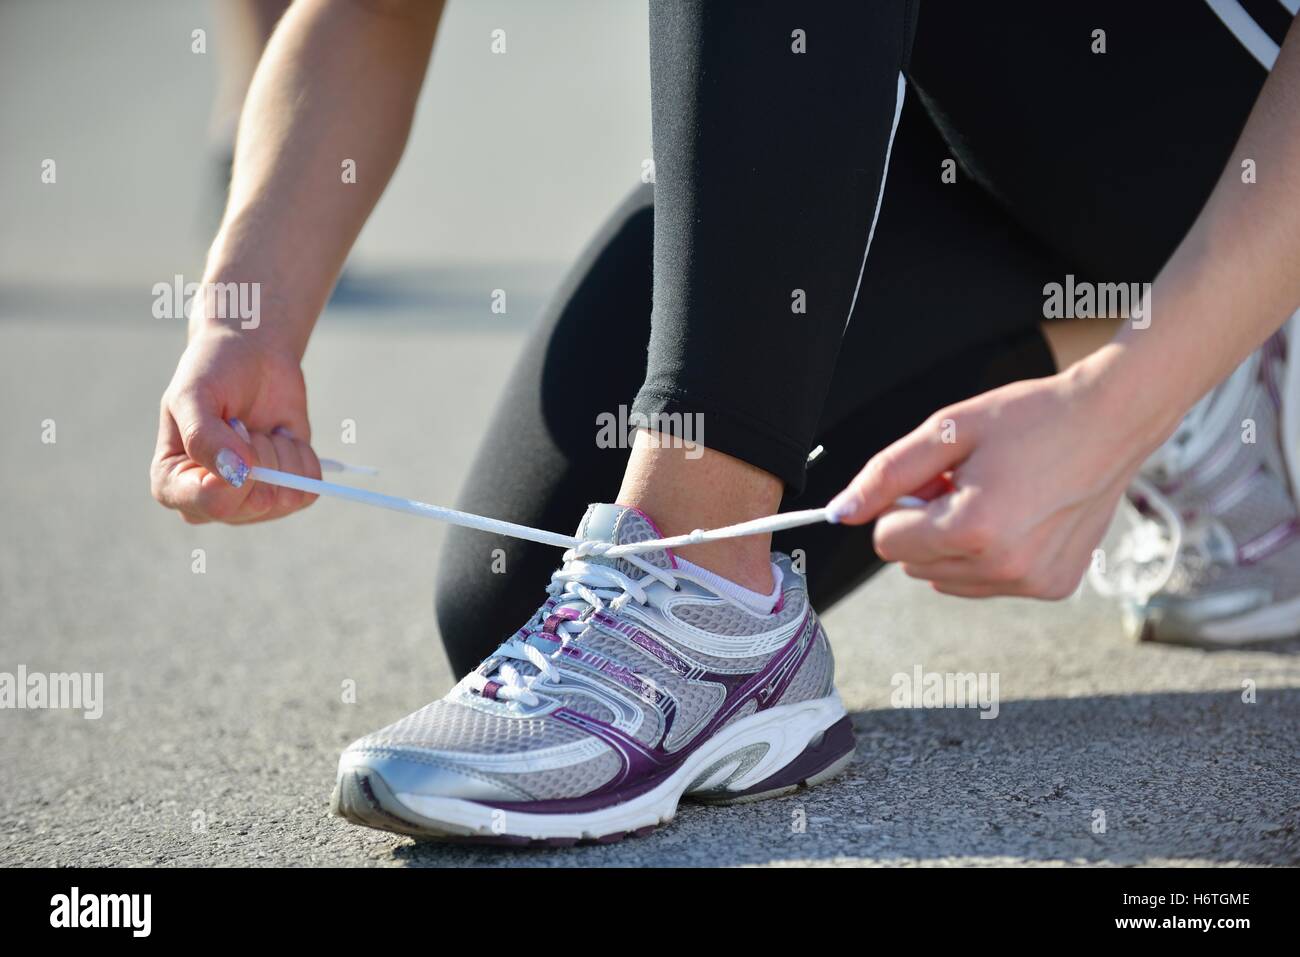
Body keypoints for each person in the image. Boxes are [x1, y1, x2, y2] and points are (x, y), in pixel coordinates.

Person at [151, 1, 1300, 843]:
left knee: (653, 622)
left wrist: (1110, 417)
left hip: (1212, 117)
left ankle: (706, 591)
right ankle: (1201, 375)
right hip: (927, 121)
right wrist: (244, 315)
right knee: (508, 595)